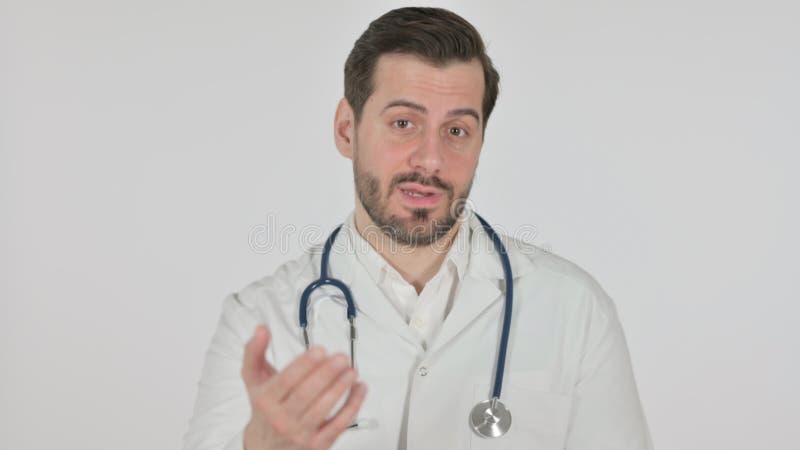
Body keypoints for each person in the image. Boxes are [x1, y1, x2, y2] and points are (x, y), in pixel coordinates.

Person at [183, 7, 654, 450]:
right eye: (404, 123)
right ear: (347, 130)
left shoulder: (575, 311)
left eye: (456, 131)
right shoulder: (261, 320)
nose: (430, 159)